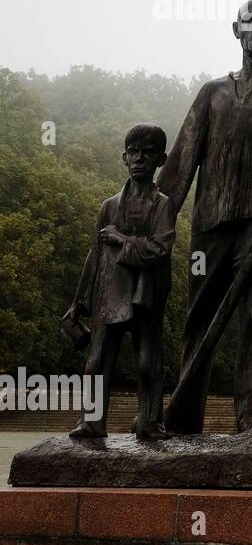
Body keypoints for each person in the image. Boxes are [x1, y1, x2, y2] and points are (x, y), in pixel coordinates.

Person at [158, 0, 252, 431]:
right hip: (211, 225)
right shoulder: (212, 93)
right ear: (236, 30)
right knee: (199, 316)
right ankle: (184, 414)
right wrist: (153, 223)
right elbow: (179, 164)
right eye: (251, 21)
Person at [65, 124, 175, 440]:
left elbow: (160, 248)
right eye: (134, 152)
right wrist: (79, 301)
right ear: (124, 157)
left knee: (146, 361)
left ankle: (150, 421)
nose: (139, 159)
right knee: (97, 361)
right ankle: (92, 421)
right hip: (109, 290)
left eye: (148, 153)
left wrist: (121, 239)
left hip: (146, 291)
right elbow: (94, 255)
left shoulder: (163, 204)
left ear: (161, 159)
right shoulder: (108, 206)